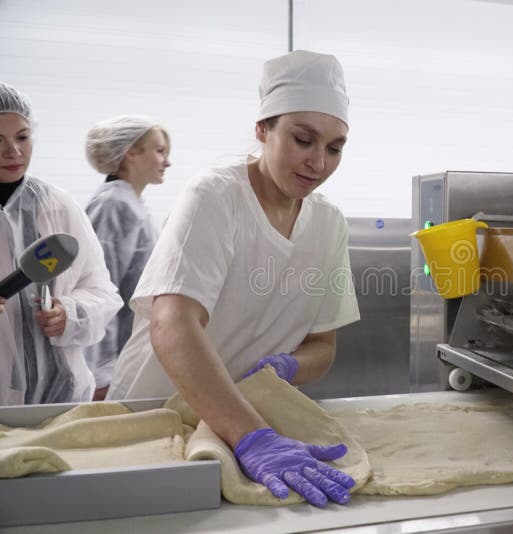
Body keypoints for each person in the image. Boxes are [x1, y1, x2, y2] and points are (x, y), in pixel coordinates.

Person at [107, 51, 360, 507]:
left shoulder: (329, 224)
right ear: (262, 130)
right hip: (154, 420)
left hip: (242, 429)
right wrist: (254, 438)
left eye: (334, 148)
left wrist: (287, 367)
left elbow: (322, 347)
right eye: (303, 139)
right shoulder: (216, 196)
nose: (318, 163)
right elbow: (173, 323)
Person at [0, 82, 122, 405]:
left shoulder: (58, 205)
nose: (13, 151)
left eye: (22, 137)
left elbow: (101, 290)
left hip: (62, 400)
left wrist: (69, 313)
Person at [84, 116, 171, 401]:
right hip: (109, 366)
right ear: (131, 152)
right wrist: (100, 371)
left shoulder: (132, 204)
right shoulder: (112, 204)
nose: (167, 162)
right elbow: (100, 288)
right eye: (159, 151)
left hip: (128, 354)